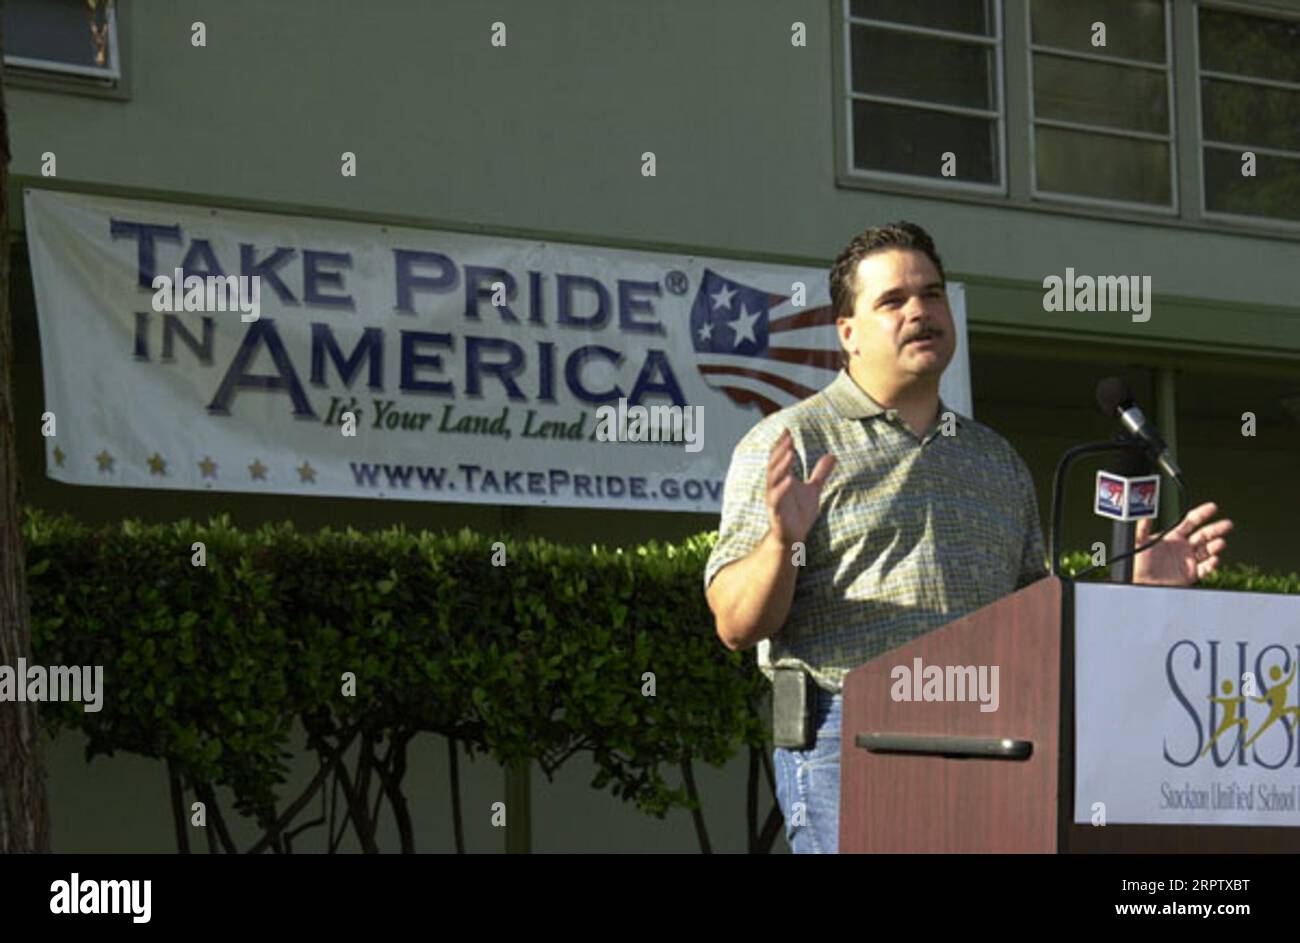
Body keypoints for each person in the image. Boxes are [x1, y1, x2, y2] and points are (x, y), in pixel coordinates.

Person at [702, 221, 1234, 854]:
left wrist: (1129, 588)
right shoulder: (791, 443)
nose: (920, 312)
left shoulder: (993, 458)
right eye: (893, 301)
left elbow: (1036, 625)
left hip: (990, 737)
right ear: (847, 332)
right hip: (851, 738)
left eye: (932, 294)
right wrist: (781, 543)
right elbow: (735, 624)